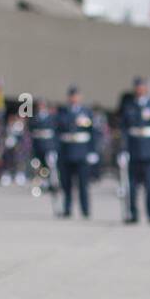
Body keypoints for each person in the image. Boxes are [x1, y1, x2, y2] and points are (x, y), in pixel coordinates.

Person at [120, 76, 150, 224]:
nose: (139, 89)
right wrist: (123, 150)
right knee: (131, 186)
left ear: (145, 88)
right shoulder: (129, 106)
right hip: (133, 150)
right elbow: (125, 130)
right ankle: (133, 214)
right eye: (137, 86)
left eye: (141, 86)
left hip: (149, 149)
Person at [57, 85, 94, 218]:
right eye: (72, 96)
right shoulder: (63, 112)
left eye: (76, 95)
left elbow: (92, 133)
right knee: (66, 183)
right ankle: (67, 208)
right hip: (67, 152)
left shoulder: (86, 112)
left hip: (82, 152)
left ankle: (85, 210)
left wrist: (92, 151)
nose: (74, 98)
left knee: (83, 184)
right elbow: (59, 130)